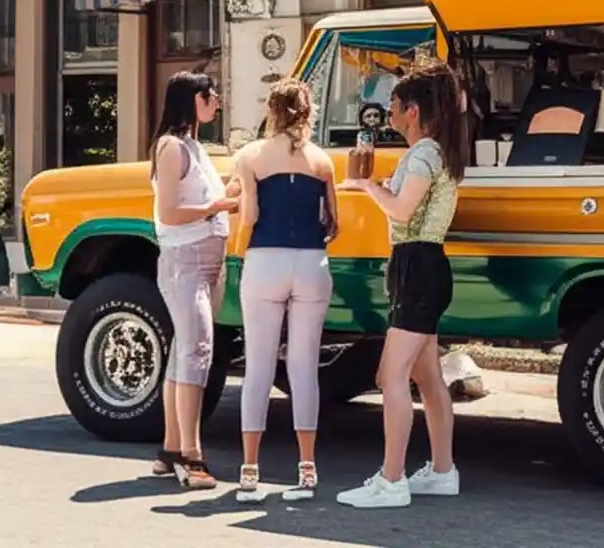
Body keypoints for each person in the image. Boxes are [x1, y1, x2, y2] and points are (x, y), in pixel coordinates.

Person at [335, 59, 465, 509]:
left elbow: (404, 210)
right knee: (427, 377)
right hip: (427, 264)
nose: (387, 114)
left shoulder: (425, 152)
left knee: (388, 375)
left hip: (415, 265)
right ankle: (442, 470)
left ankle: (391, 479)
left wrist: (367, 186)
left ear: (412, 110)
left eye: (392, 105)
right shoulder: (441, 150)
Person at [231, 78, 338, 503]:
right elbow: (334, 223)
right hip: (311, 262)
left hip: (265, 261)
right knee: (303, 367)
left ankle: (250, 471)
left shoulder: (251, 156)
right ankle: (307, 469)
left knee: (258, 368)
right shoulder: (322, 160)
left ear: (271, 111)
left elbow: (249, 214)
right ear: (308, 112)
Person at [148, 70, 238, 490]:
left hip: (205, 264)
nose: (216, 100)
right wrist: (218, 205)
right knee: (196, 352)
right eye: (210, 95)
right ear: (192, 100)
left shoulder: (194, 147)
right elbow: (168, 213)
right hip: (185, 262)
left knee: (185, 352)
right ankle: (191, 455)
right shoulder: (171, 148)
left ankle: (170, 449)